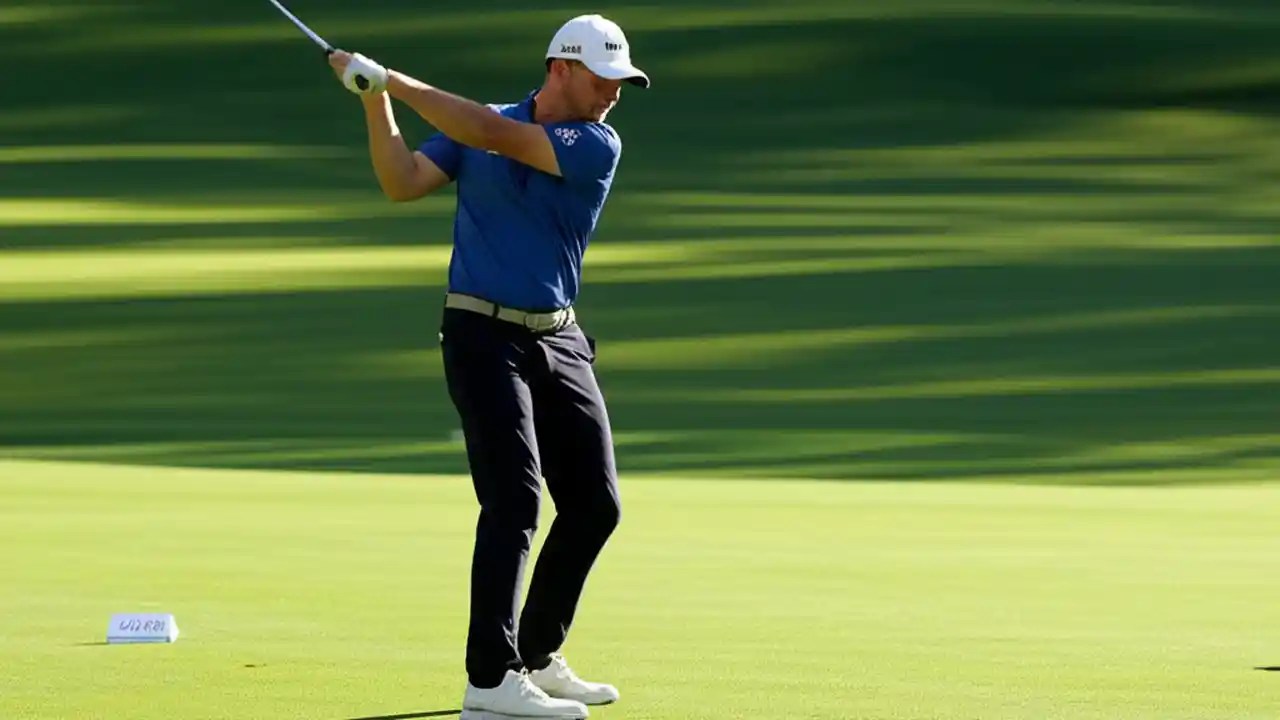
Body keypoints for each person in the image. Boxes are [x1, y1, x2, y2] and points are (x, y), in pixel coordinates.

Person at [327, 14, 649, 720]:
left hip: (559, 338)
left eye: (621, 83)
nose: (615, 95)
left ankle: (536, 656)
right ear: (560, 68)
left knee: (596, 506)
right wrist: (374, 100)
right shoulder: (486, 123)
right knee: (514, 500)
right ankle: (490, 678)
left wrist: (396, 80)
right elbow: (404, 180)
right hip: (480, 334)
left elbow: (493, 135)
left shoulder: (595, 142)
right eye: (604, 80)